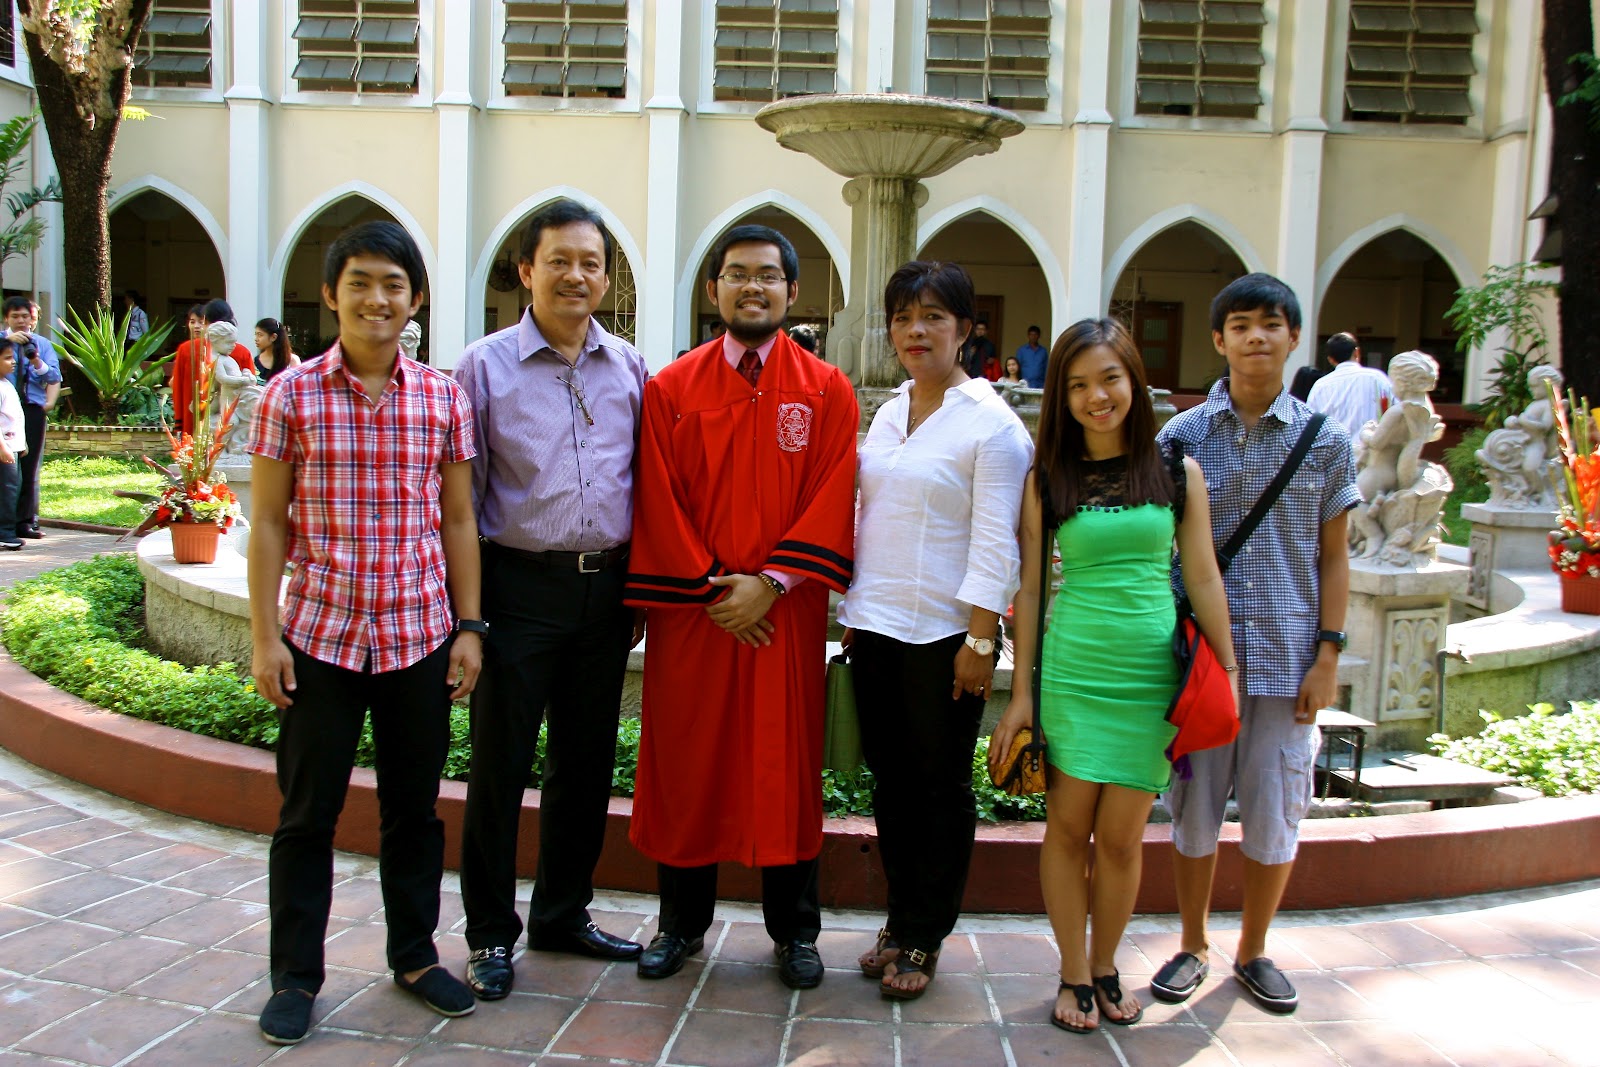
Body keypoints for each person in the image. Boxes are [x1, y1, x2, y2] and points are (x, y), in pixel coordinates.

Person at [246, 221, 483, 1045]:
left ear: (415, 297)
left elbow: (458, 516)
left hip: (419, 633)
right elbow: (268, 522)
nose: (377, 298)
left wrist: (469, 626)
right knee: (306, 813)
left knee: (413, 811)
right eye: (361, 282)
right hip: (320, 636)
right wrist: (265, 633)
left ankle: (415, 954)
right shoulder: (292, 393)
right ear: (331, 293)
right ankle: (295, 977)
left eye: (393, 283)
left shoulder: (442, 396)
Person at [623, 224, 857, 989]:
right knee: (690, 763)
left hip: (781, 621)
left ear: (793, 292)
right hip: (695, 615)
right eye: (735, 274)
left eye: (767, 275)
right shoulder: (671, 388)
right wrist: (714, 586)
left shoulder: (827, 389)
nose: (751, 286)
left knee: (783, 767)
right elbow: (655, 498)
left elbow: (832, 494)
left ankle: (795, 932)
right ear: (713, 289)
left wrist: (774, 582)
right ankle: (679, 926)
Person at [990, 318, 1236, 1033]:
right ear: (1060, 397)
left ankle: (1105, 964)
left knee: (1125, 838)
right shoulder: (1049, 479)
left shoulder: (1176, 472)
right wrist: (1022, 696)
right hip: (1074, 673)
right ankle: (1071, 969)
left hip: (1151, 678)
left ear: (1134, 379)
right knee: (1067, 829)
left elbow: (1202, 576)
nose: (1096, 397)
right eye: (1077, 385)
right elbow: (1031, 591)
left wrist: (1228, 671)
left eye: (1109, 379)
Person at [454, 198, 650, 1002]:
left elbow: (650, 485)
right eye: (559, 260)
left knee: (586, 762)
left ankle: (563, 912)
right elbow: (457, 500)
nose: (576, 274)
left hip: (605, 592)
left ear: (607, 275)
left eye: (591, 262)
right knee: (501, 766)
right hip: (517, 588)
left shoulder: (632, 368)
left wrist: (639, 586)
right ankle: (490, 934)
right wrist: (466, 615)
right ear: (527, 270)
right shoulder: (484, 366)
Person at [1151, 273, 1358, 1016]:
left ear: (1294, 337)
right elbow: (1156, 547)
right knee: (1194, 805)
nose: (1257, 338)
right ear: (1219, 340)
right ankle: (1193, 942)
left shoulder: (1326, 441)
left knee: (1275, 808)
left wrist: (1329, 652)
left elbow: (1334, 555)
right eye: (1241, 325)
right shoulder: (1180, 436)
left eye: (1271, 324)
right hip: (1201, 662)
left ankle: (1254, 949)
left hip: (1287, 656)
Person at [839, 261, 1032, 1000]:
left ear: (966, 329)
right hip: (877, 628)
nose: (915, 331)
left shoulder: (992, 425)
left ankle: (925, 932)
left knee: (938, 788)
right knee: (891, 785)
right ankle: (898, 916)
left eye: (933, 317)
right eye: (902, 318)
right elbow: (871, 519)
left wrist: (981, 640)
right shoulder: (890, 411)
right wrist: (855, 612)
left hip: (947, 639)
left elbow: (996, 542)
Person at [3, 296, 60, 541]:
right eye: (15, 316)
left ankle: (25, 522)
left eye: (25, 316)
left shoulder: (43, 344)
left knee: (30, 467)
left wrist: (36, 359)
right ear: (7, 318)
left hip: (31, 409)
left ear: (33, 320)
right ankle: (4, 522)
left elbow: (53, 376)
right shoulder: (1, 340)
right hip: (3, 408)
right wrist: (6, 341)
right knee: (5, 468)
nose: (21, 321)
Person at [172, 301, 255, 435]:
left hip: (196, 412)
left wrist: (179, 420)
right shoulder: (242, 351)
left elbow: (177, 386)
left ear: (206, 321)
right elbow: (249, 388)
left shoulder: (187, 349)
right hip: (231, 411)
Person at [1306, 332, 1396, 439]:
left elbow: (1309, 424)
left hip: (1333, 452)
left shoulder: (1320, 386)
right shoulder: (1377, 378)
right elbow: (1395, 410)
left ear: (1330, 359)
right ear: (1357, 352)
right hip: (1369, 451)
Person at [0, 339, 25, 551]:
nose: (13, 362)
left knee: (13, 487)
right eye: (7, 358)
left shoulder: (6, 384)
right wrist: (3, 447)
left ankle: (7, 530)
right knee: (7, 490)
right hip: (4, 447)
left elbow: (15, 417)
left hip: (13, 445)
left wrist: (22, 443)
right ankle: (5, 533)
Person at [254, 317, 301, 383]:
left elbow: (296, 387)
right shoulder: (254, 362)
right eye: (255, 334)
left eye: (260, 335)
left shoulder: (292, 361)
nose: (256, 339)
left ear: (273, 337)